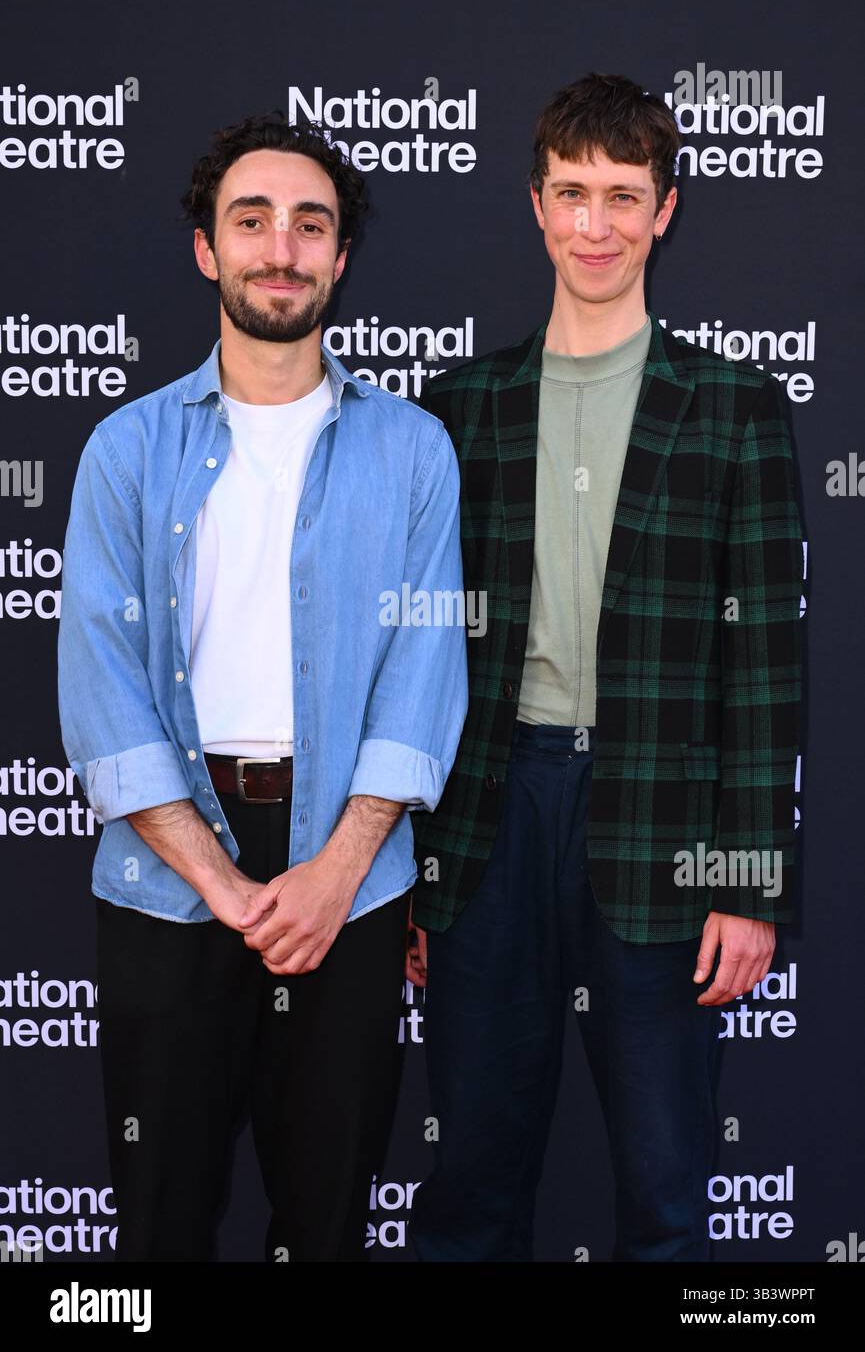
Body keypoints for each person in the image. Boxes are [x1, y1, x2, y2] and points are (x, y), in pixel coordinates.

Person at [57, 111, 467, 1262]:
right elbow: (99, 689)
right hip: (168, 870)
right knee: (159, 1223)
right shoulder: (123, 452)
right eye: (251, 221)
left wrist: (336, 870)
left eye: (309, 224)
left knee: (329, 1220)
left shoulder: (413, 449)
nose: (279, 248)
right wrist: (227, 888)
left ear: (340, 257)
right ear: (207, 248)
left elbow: (426, 670)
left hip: (351, 869)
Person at [407, 72, 804, 1262]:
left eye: (622, 197)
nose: (596, 225)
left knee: (666, 1194)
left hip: (663, 832)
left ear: (664, 210)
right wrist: (417, 869)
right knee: (470, 1182)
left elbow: (767, 665)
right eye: (572, 194)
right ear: (535, 205)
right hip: (489, 822)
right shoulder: (460, 407)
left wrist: (749, 880)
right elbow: (417, 657)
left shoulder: (734, 405)